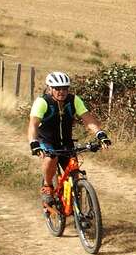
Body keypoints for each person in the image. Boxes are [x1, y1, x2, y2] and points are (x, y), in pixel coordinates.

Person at [27, 71, 111, 205]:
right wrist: (33, 142)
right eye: (58, 88)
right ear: (50, 88)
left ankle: (77, 208)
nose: (62, 91)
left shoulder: (73, 100)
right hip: (47, 141)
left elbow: (87, 118)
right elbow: (33, 124)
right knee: (50, 159)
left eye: (65, 88)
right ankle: (48, 186)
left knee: (74, 173)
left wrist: (100, 134)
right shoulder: (42, 102)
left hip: (66, 142)